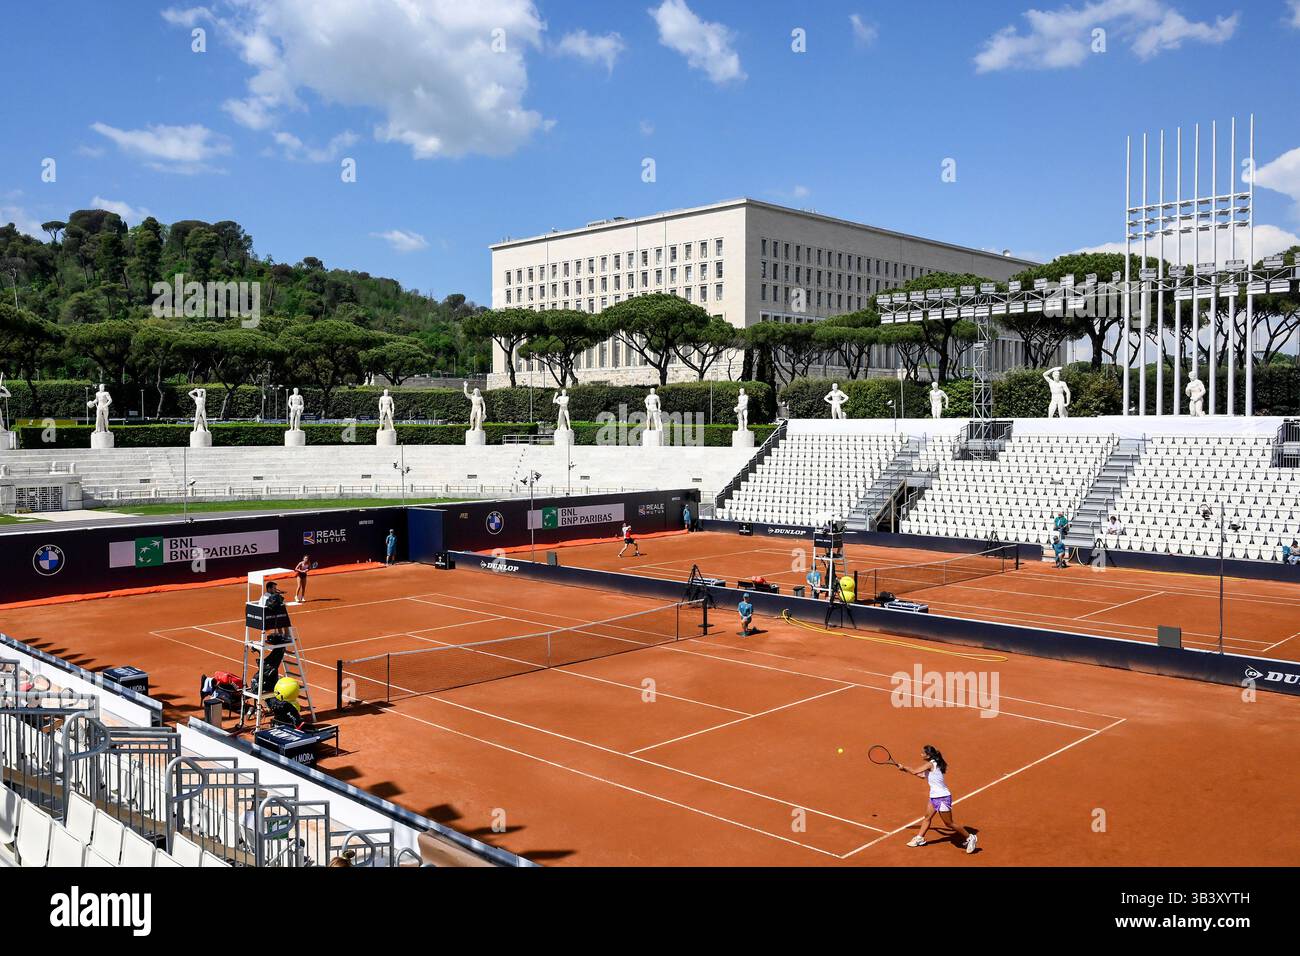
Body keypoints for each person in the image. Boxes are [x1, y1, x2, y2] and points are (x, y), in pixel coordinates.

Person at [898, 745, 977, 853]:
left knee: (949, 823)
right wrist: (905, 770)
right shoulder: (933, 763)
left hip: (943, 797)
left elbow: (915, 771)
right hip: (934, 796)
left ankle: (970, 837)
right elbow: (921, 775)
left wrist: (904, 767)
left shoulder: (930, 764)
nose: (921, 754)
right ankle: (919, 838)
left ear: (928, 755)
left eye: (923, 753)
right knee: (927, 817)